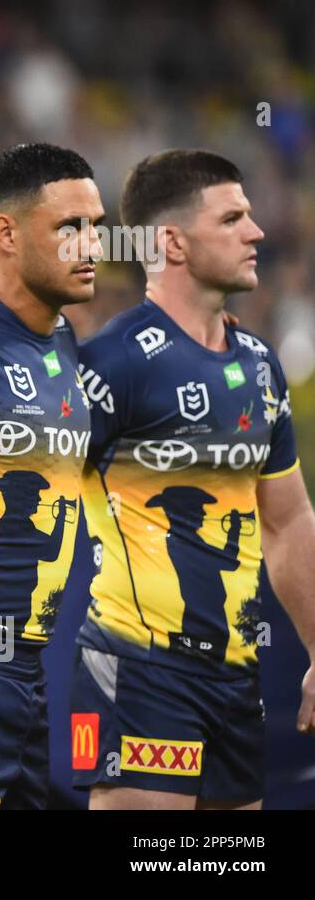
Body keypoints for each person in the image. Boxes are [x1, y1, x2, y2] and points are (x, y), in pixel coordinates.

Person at [73, 149, 315, 810]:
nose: (256, 230)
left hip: (236, 676)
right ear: (172, 241)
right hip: (139, 665)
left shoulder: (261, 365)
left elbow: (288, 519)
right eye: (233, 217)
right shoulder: (114, 364)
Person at [0, 143, 102, 808]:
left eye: (98, 225)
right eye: (71, 227)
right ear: (5, 234)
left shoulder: (61, 338)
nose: (93, 243)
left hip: (30, 666)